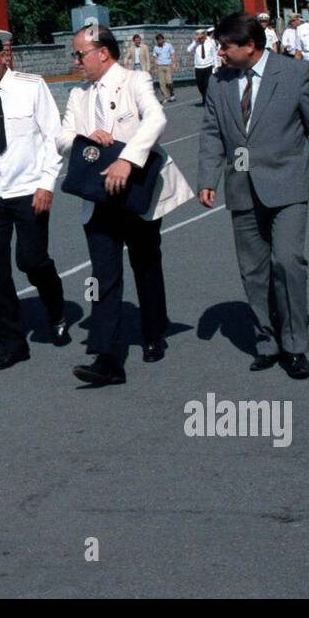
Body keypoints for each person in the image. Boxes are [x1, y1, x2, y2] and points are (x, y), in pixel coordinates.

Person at [196, 12, 309, 380]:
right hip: (241, 187)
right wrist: (209, 178)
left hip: (287, 185)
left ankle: (296, 345)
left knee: (287, 261)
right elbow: (211, 133)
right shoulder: (220, 82)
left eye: (225, 47)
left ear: (249, 47)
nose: (218, 53)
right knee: (254, 270)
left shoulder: (294, 74)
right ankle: (267, 341)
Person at [57, 24, 194, 386]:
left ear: (102, 52)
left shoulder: (135, 80)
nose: (76, 61)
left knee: (146, 263)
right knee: (103, 275)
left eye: (79, 54)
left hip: (135, 190)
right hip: (98, 197)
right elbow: (62, 138)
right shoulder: (78, 95)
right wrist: (88, 139)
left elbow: (156, 119)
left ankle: (152, 332)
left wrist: (127, 159)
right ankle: (106, 357)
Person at [0, 29, 70, 371]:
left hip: (28, 191)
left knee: (32, 260)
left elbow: (54, 138)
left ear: (1, 56)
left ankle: (56, 309)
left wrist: (47, 184)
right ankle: (12, 345)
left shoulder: (31, 87)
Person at [187, 27, 217, 104]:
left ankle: (207, 99)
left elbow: (214, 55)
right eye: (199, 38)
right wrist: (195, 42)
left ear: (205, 37)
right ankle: (204, 96)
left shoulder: (210, 43)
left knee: (207, 84)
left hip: (208, 66)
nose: (200, 39)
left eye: (202, 38)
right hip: (198, 67)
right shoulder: (195, 44)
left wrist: (216, 66)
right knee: (200, 85)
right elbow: (188, 50)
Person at [152, 32, 176, 102]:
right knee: (162, 83)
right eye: (158, 40)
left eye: (161, 39)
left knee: (169, 81)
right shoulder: (155, 48)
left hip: (168, 66)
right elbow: (155, 58)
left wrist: (174, 64)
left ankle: (172, 93)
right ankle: (165, 97)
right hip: (160, 66)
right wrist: (155, 68)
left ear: (163, 39)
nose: (160, 41)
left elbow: (172, 55)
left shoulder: (169, 46)